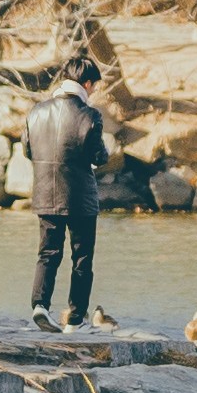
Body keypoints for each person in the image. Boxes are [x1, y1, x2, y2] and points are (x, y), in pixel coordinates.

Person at [23, 59, 114, 333]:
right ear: (87, 83)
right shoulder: (89, 115)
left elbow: (28, 150)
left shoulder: (36, 112)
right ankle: (75, 320)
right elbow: (99, 156)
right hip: (80, 198)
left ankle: (40, 306)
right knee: (82, 258)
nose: (94, 91)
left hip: (44, 194)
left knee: (48, 253)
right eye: (94, 86)